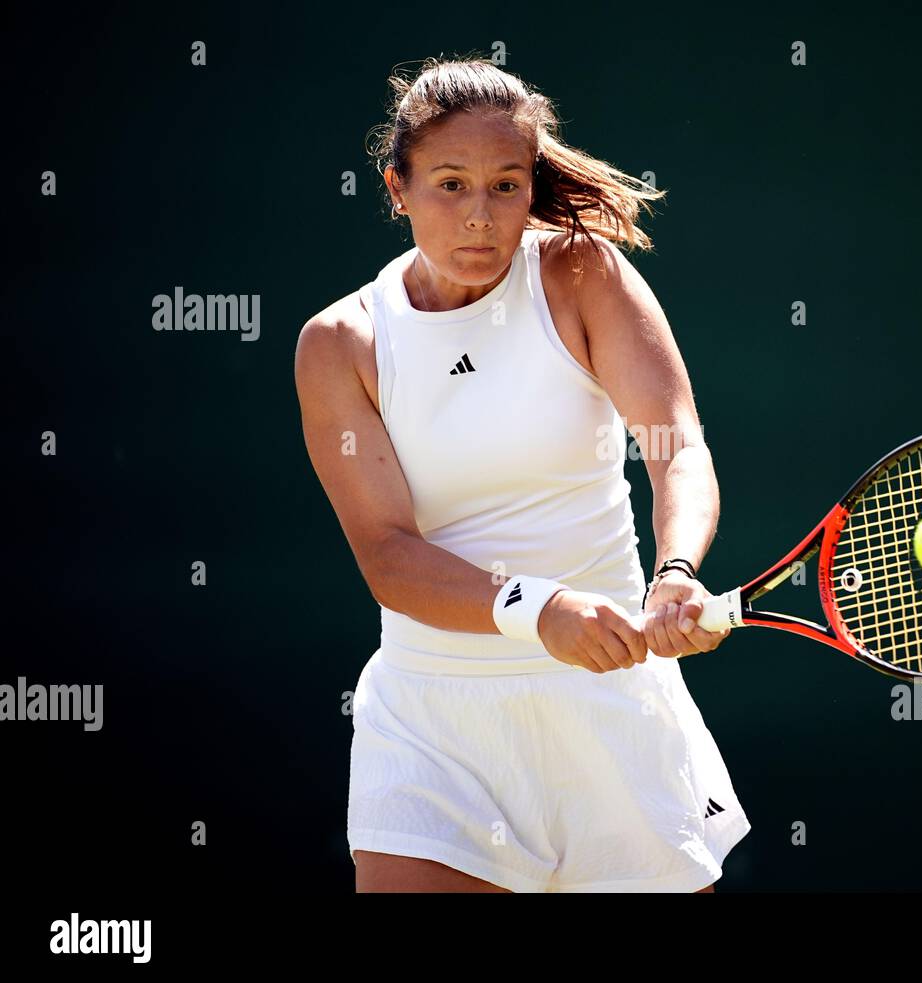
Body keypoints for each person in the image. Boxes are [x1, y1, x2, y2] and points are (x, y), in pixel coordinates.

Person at [295, 56, 750, 893]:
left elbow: (675, 444)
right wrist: (539, 608)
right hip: (435, 727)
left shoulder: (582, 275)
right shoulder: (341, 342)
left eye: (506, 186)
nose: (480, 217)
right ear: (396, 188)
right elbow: (387, 555)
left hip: (609, 708)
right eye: (449, 185)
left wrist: (677, 571)